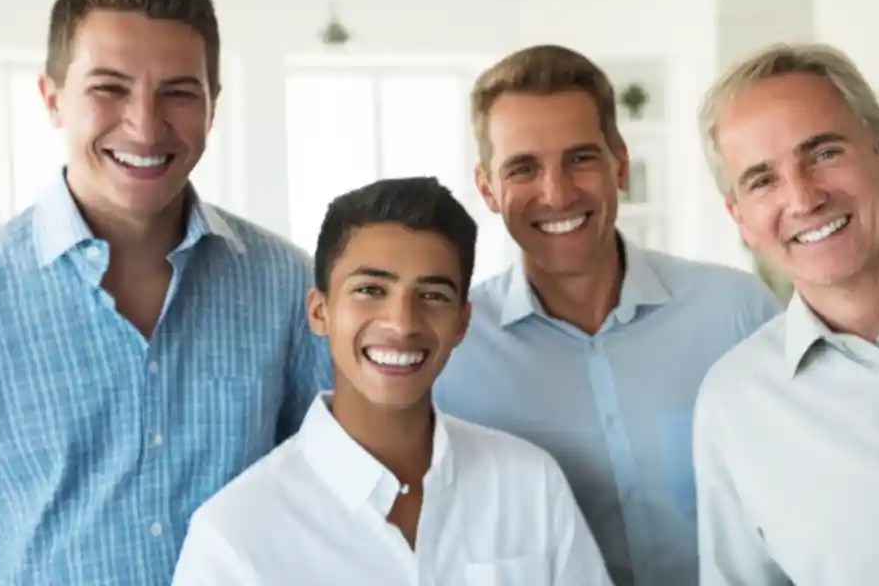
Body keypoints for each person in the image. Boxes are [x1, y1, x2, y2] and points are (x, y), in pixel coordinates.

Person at [433, 44, 879, 585]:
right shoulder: (448, 349)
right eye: (523, 168)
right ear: (486, 187)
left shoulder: (733, 310)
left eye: (580, 158)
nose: (555, 192)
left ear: (620, 164)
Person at [0, 0, 328, 584]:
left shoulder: (289, 288)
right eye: (109, 87)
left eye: (179, 93)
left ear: (213, 107)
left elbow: (337, 511)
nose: (144, 123)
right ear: (52, 98)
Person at [173, 177, 612, 585]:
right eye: (370, 290)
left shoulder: (530, 486)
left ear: (462, 323)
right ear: (319, 311)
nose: (402, 324)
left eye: (433, 296)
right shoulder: (234, 535)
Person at [692, 42, 879, 585]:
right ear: (741, 219)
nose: (803, 198)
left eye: (823, 153)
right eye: (762, 179)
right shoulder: (733, 404)